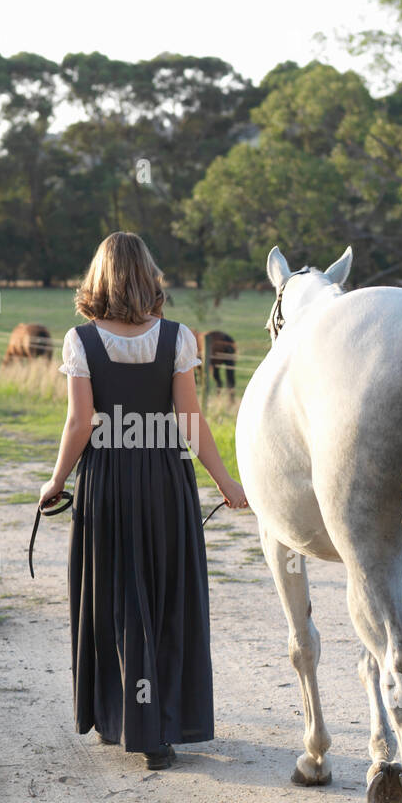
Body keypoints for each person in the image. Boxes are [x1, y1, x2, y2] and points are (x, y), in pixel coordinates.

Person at [39, 232, 247, 770]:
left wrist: (55, 481)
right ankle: (158, 730)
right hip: (163, 481)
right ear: (147, 276)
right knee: (163, 600)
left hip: (107, 481)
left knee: (113, 601)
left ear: (98, 279)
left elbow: (81, 423)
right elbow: (190, 423)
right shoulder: (177, 339)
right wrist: (226, 483)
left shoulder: (80, 342)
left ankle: (125, 720)